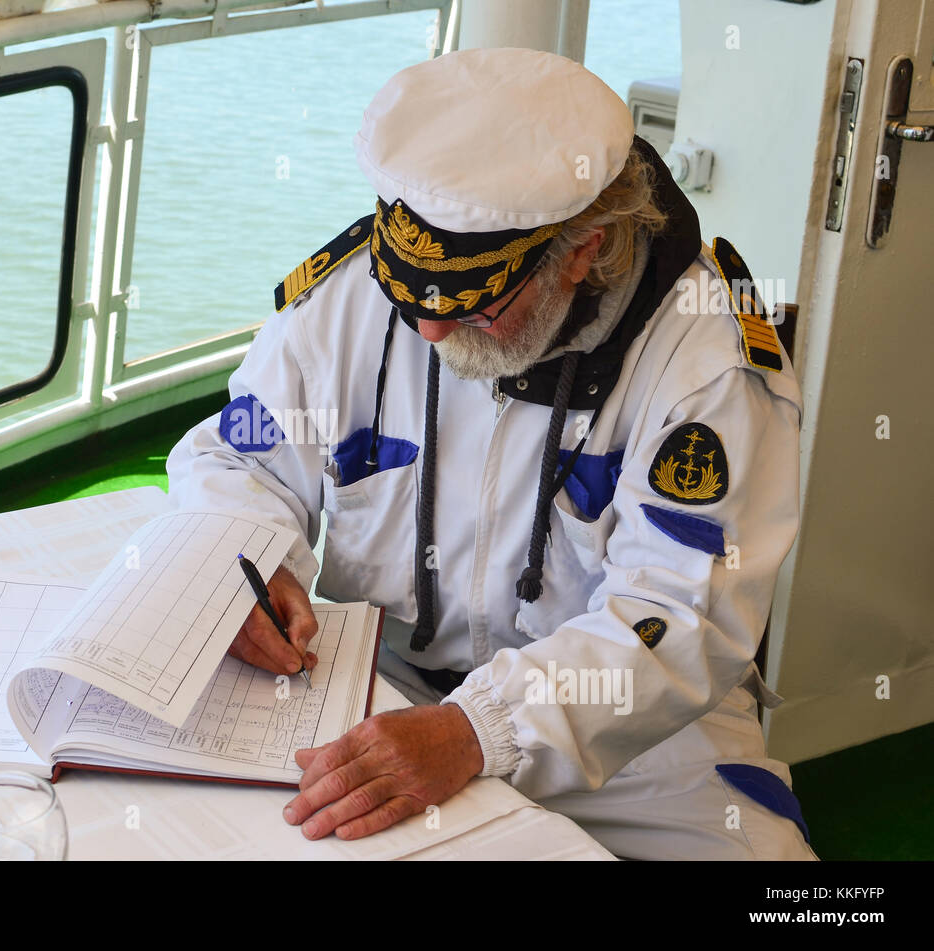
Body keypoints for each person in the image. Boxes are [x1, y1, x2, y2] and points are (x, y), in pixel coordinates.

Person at [166, 47, 817, 860]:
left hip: (641, 737)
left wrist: (480, 729)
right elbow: (241, 457)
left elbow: (679, 614)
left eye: (473, 299)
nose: (429, 328)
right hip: (378, 685)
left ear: (584, 247)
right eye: (411, 290)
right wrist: (248, 566)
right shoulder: (346, 301)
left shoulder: (707, 365)